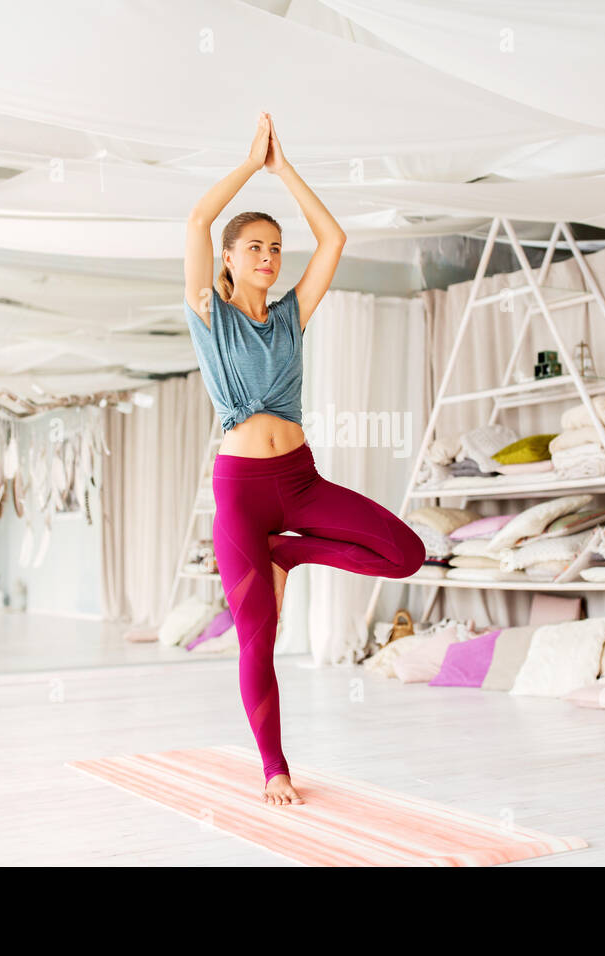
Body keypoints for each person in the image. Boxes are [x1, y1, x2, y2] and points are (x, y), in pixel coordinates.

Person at [184, 112, 425, 806]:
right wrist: (248, 164)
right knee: (256, 641)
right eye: (254, 246)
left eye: (275, 248)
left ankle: (289, 553)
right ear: (230, 257)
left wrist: (285, 171)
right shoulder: (209, 314)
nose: (268, 256)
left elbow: (336, 238)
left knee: (404, 553)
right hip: (240, 492)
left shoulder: (291, 313)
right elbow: (199, 219)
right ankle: (275, 768)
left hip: (299, 481)